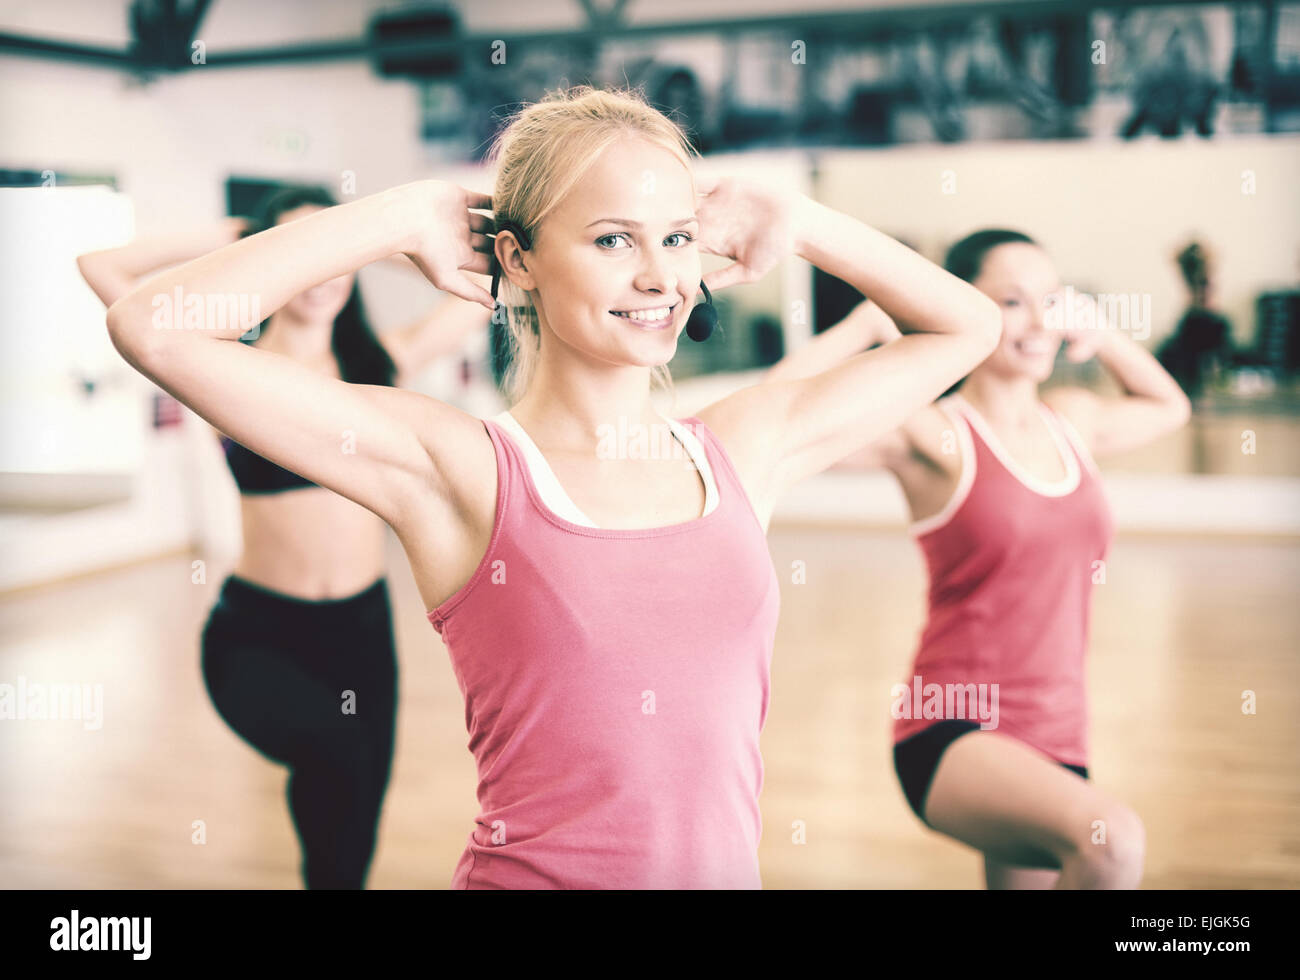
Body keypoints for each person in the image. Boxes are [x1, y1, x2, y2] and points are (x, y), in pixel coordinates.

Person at [101, 85, 1002, 889]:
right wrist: (402, 214)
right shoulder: (460, 470)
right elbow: (154, 329)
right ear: (517, 259)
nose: (659, 278)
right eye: (614, 239)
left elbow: (967, 326)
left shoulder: (739, 447)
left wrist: (795, 220)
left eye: (676, 238)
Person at [78, 185, 490, 889]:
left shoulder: (378, 366)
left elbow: (482, 293)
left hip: (362, 639)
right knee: (336, 758)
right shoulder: (223, 368)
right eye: (307, 257)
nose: (324, 277)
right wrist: (249, 232)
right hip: (259, 637)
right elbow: (104, 267)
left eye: (338, 260)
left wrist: (378, 238)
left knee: (348, 837)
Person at [765, 229, 1191, 889]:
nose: (1040, 318)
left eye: (1051, 299)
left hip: (1058, 737)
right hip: (954, 729)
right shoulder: (934, 435)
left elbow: (1170, 406)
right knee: (1113, 843)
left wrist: (1101, 334)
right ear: (967, 309)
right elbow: (774, 410)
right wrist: (866, 325)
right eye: (1013, 301)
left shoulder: (1071, 421)